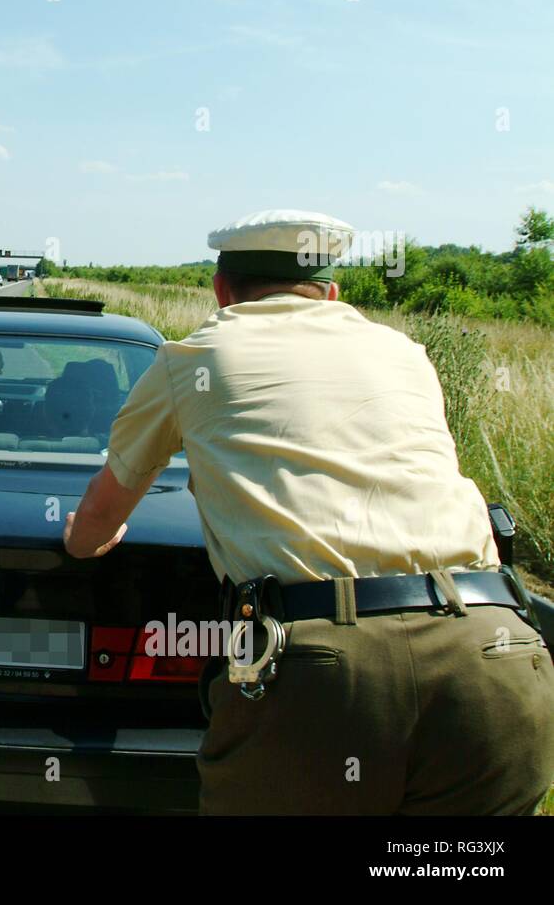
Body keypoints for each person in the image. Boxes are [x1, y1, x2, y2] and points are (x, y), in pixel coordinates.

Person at [62, 209, 554, 814]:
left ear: (221, 290)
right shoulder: (405, 354)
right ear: (332, 293)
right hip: (494, 651)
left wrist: (86, 541)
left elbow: (100, 514)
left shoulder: (191, 360)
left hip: (322, 668)